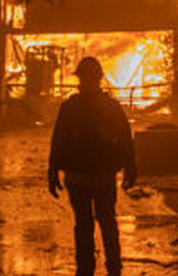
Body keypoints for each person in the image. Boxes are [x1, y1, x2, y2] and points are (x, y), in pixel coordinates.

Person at [48, 56, 137, 276]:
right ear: (99, 79)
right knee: (103, 222)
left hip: (84, 177)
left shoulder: (71, 107)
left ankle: (90, 268)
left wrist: (53, 171)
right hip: (96, 176)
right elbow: (125, 140)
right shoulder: (108, 107)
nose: (86, 82)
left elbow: (58, 141)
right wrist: (130, 167)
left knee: (87, 224)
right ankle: (109, 268)